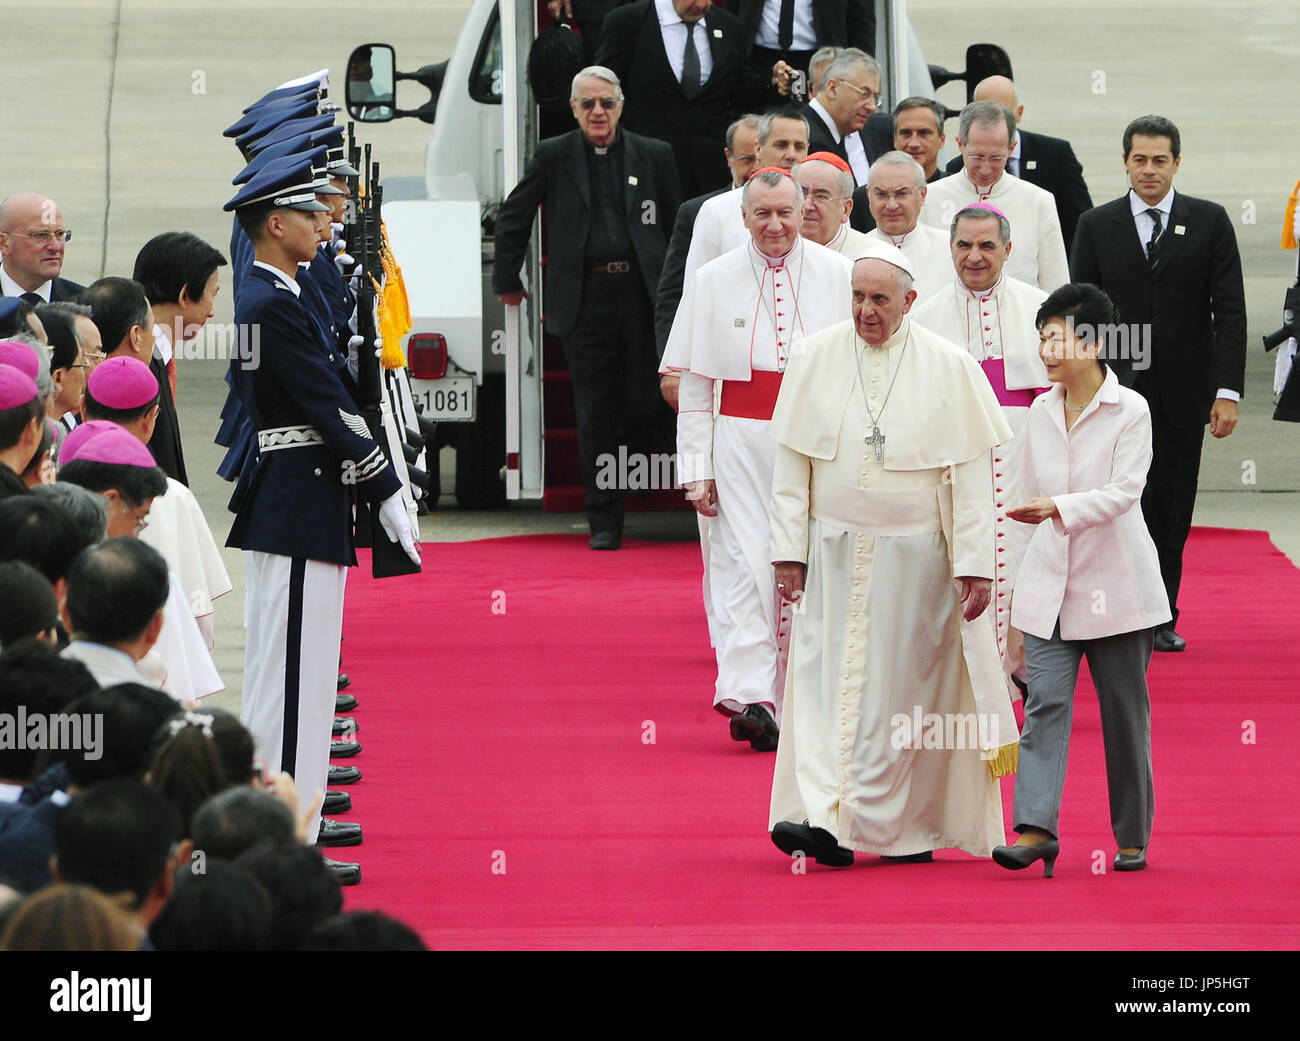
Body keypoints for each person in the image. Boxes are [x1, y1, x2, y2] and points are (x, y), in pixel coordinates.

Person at [765, 243, 1017, 866]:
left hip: (916, 563)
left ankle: (900, 830)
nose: (866, 311)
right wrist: (786, 551)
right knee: (825, 688)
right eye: (857, 297)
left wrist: (975, 563)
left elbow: (973, 477)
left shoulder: (948, 365)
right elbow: (791, 466)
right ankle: (823, 817)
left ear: (909, 301)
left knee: (901, 697)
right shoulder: (814, 356)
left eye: (880, 299)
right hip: (830, 550)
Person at [224, 155, 418, 852]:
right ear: (275, 224)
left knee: (295, 678)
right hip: (299, 499)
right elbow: (325, 402)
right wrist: (384, 485)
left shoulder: (274, 291)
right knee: (294, 683)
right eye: (308, 213)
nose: (322, 221)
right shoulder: (270, 301)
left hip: (302, 496)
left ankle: (290, 824)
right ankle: (284, 837)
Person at [661, 167, 851, 747]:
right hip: (739, 436)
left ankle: (809, 694)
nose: (774, 224)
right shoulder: (713, 279)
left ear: (804, 214)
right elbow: (694, 383)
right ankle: (751, 694)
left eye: (785, 213)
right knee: (744, 562)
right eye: (761, 214)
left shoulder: (841, 275)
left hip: (819, 440)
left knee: (813, 564)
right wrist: (696, 467)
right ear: (742, 217)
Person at [993, 283, 1169, 876]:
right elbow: (1021, 510)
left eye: (1055, 337)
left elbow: (1125, 493)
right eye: (1040, 337)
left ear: (1092, 343)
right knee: (1045, 705)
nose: (1044, 349)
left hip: (1118, 587)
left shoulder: (1132, 409)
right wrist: (1015, 600)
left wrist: (1058, 508)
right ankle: (1036, 828)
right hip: (1049, 588)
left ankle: (1131, 836)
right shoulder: (1038, 412)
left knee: (1124, 713)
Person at [1069, 115, 1246, 653]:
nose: (1149, 170)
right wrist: (1080, 385)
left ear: (1176, 162)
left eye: (1160, 160)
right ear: (1125, 162)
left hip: (1182, 396)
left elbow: (1229, 311)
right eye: (1139, 159)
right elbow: (1080, 311)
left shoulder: (1210, 221)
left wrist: (1227, 392)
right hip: (1111, 393)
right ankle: (1111, 614)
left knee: (1170, 506)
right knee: (1112, 506)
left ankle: (1161, 614)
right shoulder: (1096, 225)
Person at [493, 66, 679, 549]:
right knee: (594, 412)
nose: (598, 112)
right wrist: (507, 276)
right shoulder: (554, 155)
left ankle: (633, 472)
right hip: (585, 300)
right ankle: (603, 518)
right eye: (588, 104)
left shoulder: (655, 154)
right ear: (574, 109)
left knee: (644, 402)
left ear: (621, 105)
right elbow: (515, 212)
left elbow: (679, 227)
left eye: (607, 103)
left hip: (642, 297)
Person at [912, 203, 1048, 676]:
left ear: (1008, 250)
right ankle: (968, 678)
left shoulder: (1040, 309)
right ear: (950, 248)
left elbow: (1059, 398)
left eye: (987, 245)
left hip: (1022, 456)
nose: (974, 255)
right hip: (955, 460)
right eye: (964, 245)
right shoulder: (924, 318)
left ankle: (1023, 674)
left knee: (1023, 560)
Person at [596, 0, 777, 199]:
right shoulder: (626, 22)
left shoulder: (728, 26)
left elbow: (738, 91)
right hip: (648, 163)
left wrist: (770, 80)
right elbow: (605, 88)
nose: (700, 4)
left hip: (709, 168)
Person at [921, 101, 1069, 292]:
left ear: (1011, 148)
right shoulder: (929, 198)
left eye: (996, 159)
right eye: (977, 157)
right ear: (960, 144)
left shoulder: (1039, 202)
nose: (985, 169)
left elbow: (1056, 284)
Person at [654, 114, 761, 360]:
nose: (755, 168)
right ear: (728, 157)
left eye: (760, 157)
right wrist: (672, 364)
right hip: (717, 352)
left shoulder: (797, 210)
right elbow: (674, 294)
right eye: (746, 159)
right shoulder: (698, 211)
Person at [945, 76, 1092, 254]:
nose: (994, 120)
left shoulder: (1055, 155)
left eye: (1002, 111)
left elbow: (1079, 226)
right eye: (985, 112)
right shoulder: (958, 167)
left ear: (1019, 113)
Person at [79, 276, 188, 485]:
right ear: (136, 335)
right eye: (153, 326)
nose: (155, 337)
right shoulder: (143, 393)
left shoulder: (70, 395)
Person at [681, 107, 808, 283]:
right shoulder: (716, 210)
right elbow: (696, 287)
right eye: (781, 145)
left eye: (799, 147)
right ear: (758, 148)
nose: (792, 155)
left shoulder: (822, 207)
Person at [131, 231, 228, 404]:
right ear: (184, 295)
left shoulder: (152, 355)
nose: (212, 312)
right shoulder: (142, 368)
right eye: (211, 295)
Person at [859, 150, 950, 302]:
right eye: (881, 194)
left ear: (922, 195)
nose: (891, 205)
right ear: (869, 195)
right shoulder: (854, 251)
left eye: (901, 194)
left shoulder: (949, 248)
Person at [730, 0, 876, 91]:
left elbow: (861, 25)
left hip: (816, 63)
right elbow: (731, 11)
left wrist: (863, 77)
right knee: (758, 129)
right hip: (759, 60)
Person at [0, 194, 84, 303]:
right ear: (4, 243)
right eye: (40, 235)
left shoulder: (86, 306)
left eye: (60, 234)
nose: (55, 247)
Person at [793, 151, 869, 258]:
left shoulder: (869, 256)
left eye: (821, 196)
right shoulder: (772, 248)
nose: (807, 206)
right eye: (801, 194)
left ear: (846, 209)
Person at [892, 96, 948, 183]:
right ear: (895, 140)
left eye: (923, 133)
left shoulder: (960, 193)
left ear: (941, 140)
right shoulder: (873, 194)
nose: (913, 144)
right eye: (906, 133)